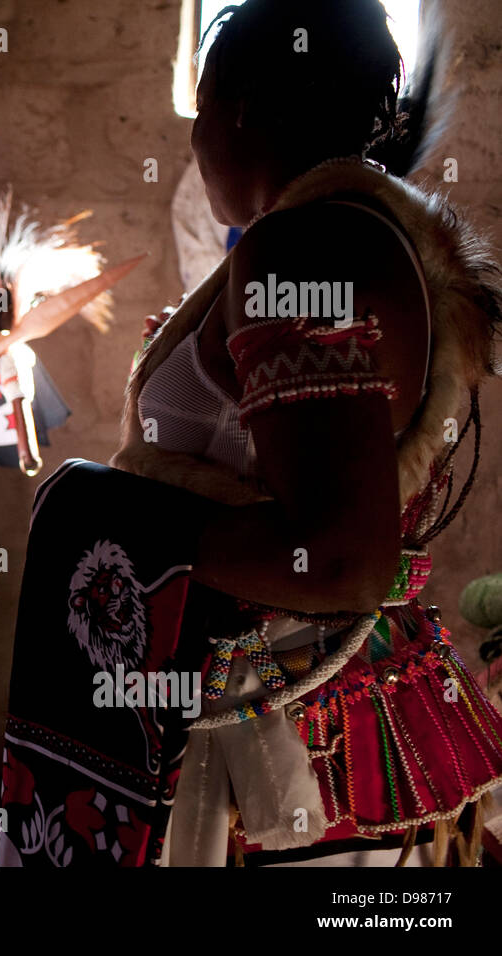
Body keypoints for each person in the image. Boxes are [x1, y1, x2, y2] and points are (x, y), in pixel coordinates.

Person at [109, 0, 502, 864]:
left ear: (238, 106)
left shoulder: (301, 248)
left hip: (278, 741)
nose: (195, 139)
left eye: (202, 111)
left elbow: (338, 558)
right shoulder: (372, 232)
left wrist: (115, 523)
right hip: (309, 709)